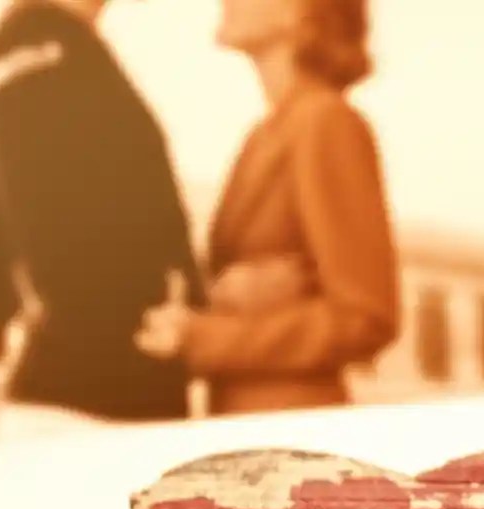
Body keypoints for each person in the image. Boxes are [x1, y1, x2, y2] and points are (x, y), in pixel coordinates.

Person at [0, 0, 299, 435]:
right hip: (91, 407)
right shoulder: (46, 49)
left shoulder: (45, 47)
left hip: (86, 400)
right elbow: (64, 232)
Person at [134, 0, 400, 416]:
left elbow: (365, 316)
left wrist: (206, 338)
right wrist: (230, 296)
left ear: (301, 14)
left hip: (292, 423)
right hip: (243, 418)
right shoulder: (265, 133)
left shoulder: (327, 121)